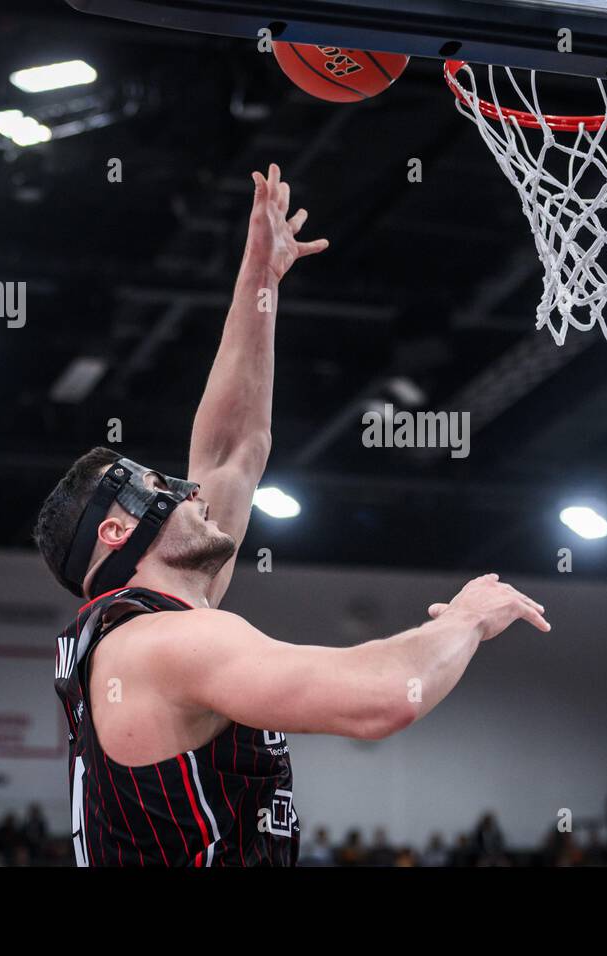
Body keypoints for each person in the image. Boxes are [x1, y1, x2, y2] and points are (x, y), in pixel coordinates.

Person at [34, 164, 550, 867]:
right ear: (117, 531)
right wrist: (467, 618)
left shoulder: (150, 629)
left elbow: (234, 446)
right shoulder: (165, 647)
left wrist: (260, 281)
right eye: (157, 484)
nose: (188, 488)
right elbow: (382, 700)